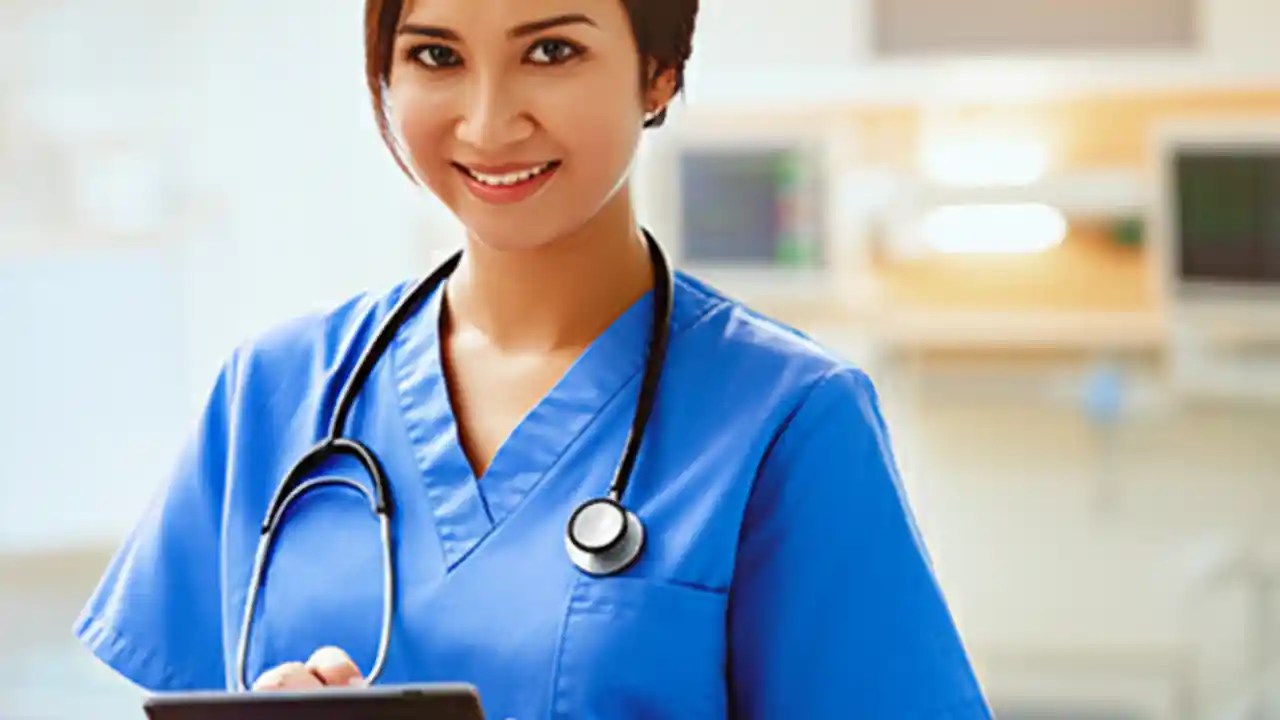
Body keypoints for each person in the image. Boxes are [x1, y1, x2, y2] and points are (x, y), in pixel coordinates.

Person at [74, 0, 993, 717]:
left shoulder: (788, 421)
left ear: (659, 71)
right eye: (436, 55)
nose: (486, 121)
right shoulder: (274, 394)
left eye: (550, 50)